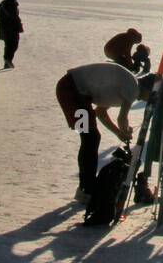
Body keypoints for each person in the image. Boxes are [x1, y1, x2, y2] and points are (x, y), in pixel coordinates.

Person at [55, 62, 154, 204]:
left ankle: (85, 189)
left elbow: (100, 113)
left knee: (90, 138)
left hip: (74, 91)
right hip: (72, 92)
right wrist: (124, 131)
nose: (149, 100)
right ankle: (86, 190)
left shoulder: (128, 85)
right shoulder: (133, 89)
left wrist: (119, 133)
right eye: (151, 95)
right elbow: (122, 118)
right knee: (90, 138)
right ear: (148, 89)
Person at [0, 0, 23, 69]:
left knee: (11, 45)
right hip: (8, 28)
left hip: (11, 28)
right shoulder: (6, 4)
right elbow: (12, 17)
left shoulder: (12, 4)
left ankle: (7, 61)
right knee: (11, 44)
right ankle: (7, 60)